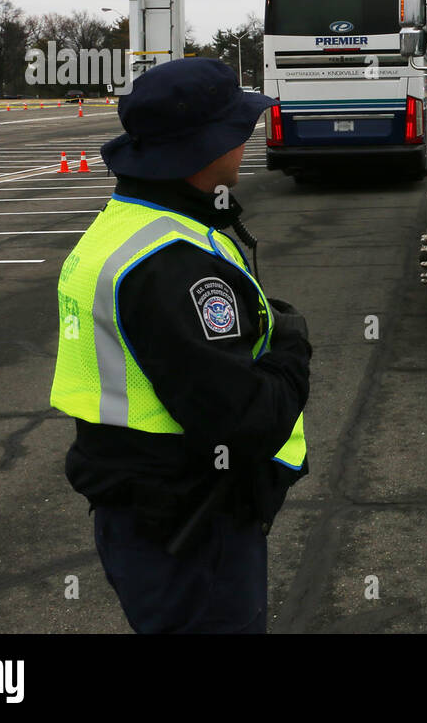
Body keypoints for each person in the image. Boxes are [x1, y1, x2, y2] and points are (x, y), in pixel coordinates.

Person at [50, 57, 312, 633]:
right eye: (238, 130)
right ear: (204, 149)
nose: (248, 141)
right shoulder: (177, 266)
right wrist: (292, 347)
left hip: (138, 509)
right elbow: (245, 419)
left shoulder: (124, 223)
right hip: (192, 525)